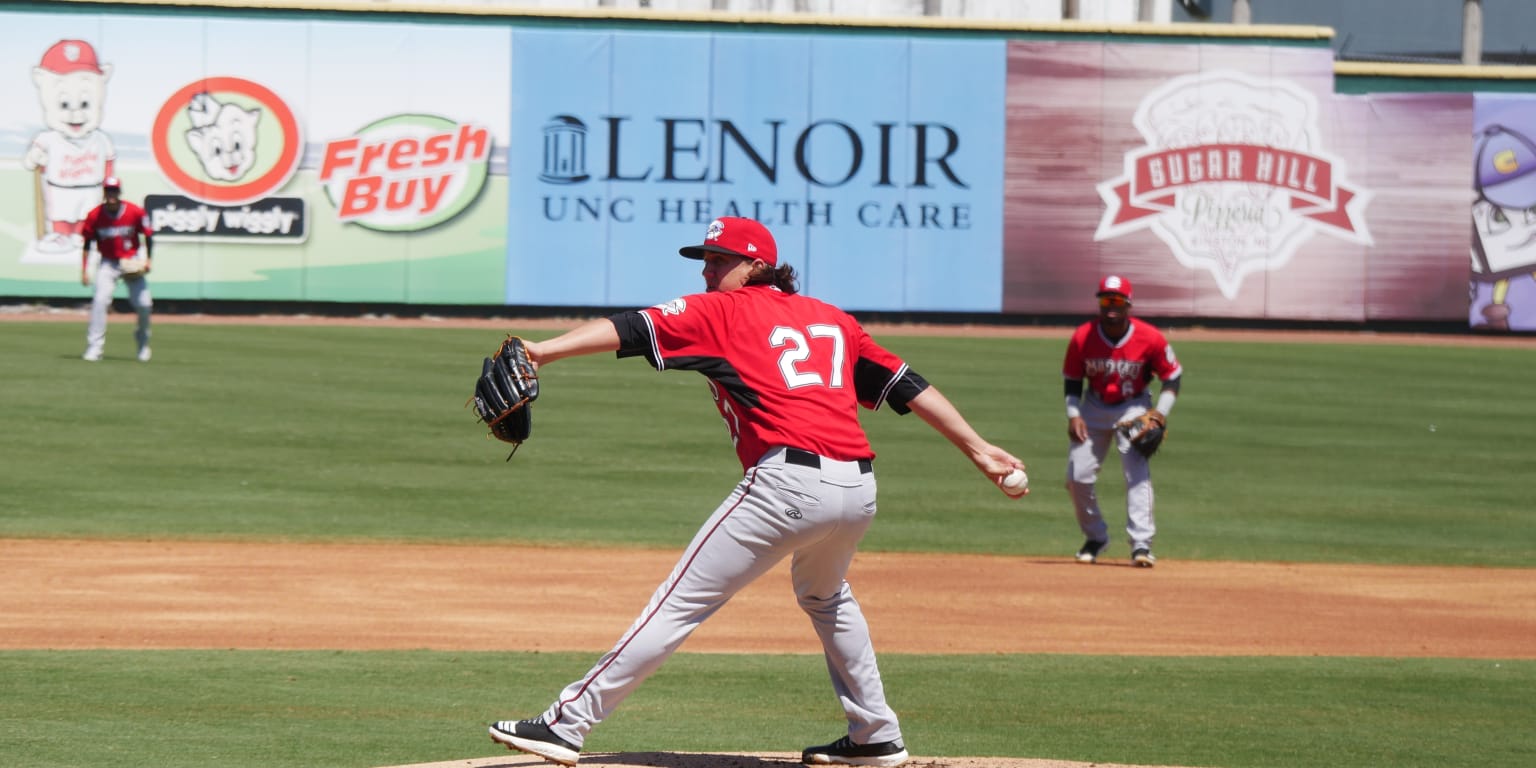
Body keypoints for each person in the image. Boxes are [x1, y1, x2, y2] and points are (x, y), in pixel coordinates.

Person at [487, 217, 1027, 768]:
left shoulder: (721, 310)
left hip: (786, 487)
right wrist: (978, 448)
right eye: (705, 259)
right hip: (857, 490)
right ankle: (876, 733)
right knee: (826, 595)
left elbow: (631, 326)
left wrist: (542, 351)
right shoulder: (832, 318)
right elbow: (906, 384)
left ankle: (565, 724)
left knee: (678, 604)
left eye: (719, 260)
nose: (706, 270)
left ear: (757, 267)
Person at [1062, 275, 1182, 568]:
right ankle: (1096, 537)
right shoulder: (1082, 337)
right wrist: (1074, 414)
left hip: (1134, 407)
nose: (1110, 307)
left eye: (1116, 301)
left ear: (1128, 304)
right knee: (1077, 477)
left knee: (1136, 473)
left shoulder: (1150, 337)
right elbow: (1073, 381)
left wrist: (1159, 414)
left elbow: (1172, 377)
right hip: (1093, 406)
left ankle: (1141, 544)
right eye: (1105, 300)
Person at [79, 176, 154, 362]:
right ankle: (94, 348)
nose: (111, 194)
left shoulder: (134, 212)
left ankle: (142, 342)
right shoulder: (95, 215)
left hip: (131, 261)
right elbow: (87, 243)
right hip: (109, 263)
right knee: (100, 301)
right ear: (104, 193)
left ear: (119, 192)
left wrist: (148, 260)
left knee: (145, 304)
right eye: (108, 190)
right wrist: (84, 269)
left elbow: (148, 235)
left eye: (114, 190)